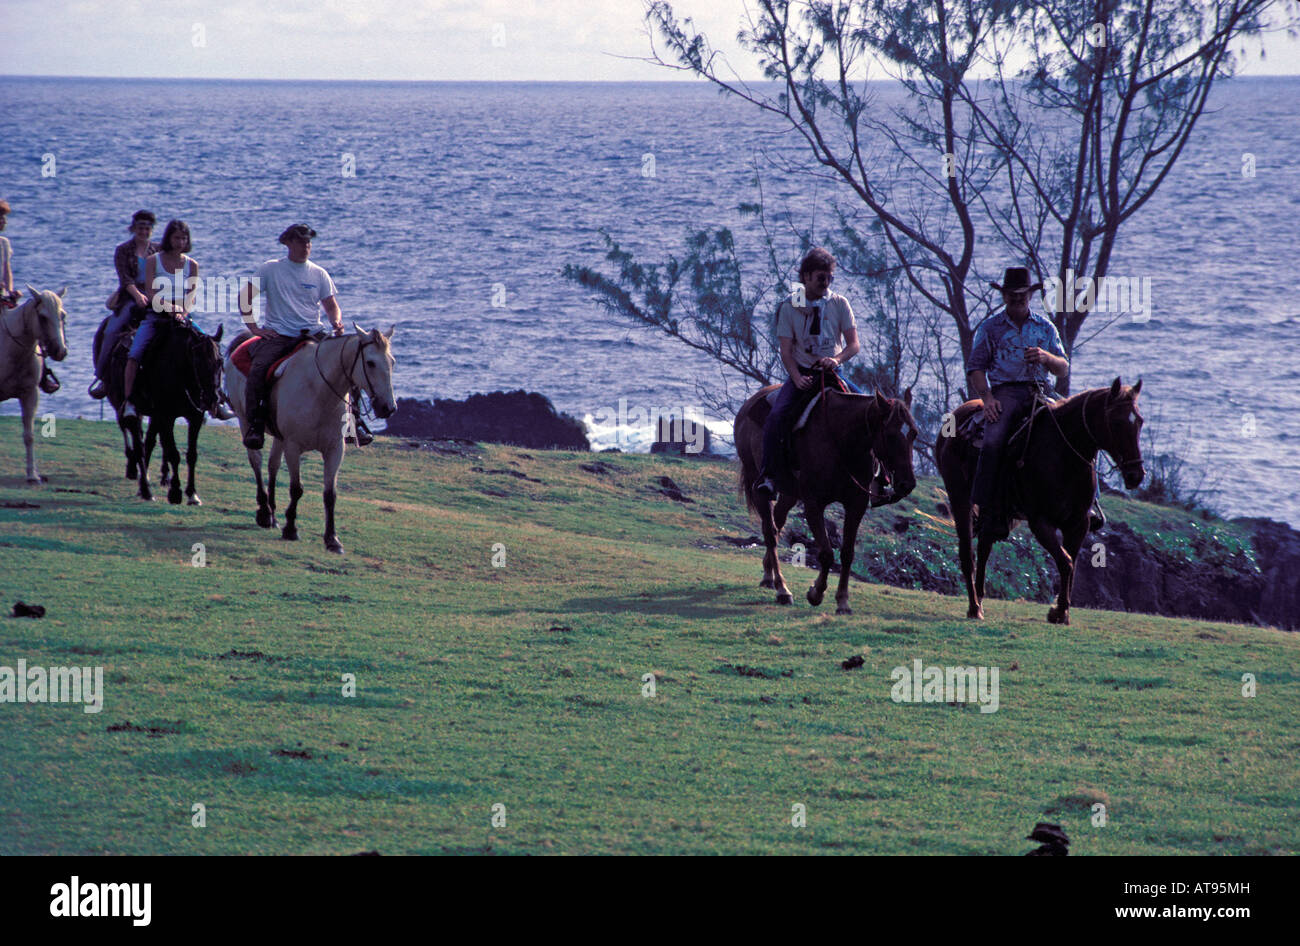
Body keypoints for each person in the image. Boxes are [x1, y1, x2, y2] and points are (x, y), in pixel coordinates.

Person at [966, 265, 1101, 540]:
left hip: (1042, 391)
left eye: (1022, 294)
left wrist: (1045, 357)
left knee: (1082, 433)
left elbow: (1063, 367)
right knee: (993, 441)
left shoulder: (1044, 326)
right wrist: (988, 398)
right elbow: (976, 368)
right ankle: (984, 510)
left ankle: (1091, 506)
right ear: (1004, 296)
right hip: (1006, 392)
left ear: (1030, 295)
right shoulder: (990, 329)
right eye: (1012, 294)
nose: (1017, 299)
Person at [238, 223, 370, 450]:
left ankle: (353, 423)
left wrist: (336, 321)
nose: (306, 246)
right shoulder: (270, 269)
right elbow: (245, 298)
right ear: (287, 243)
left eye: (308, 241)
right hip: (279, 335)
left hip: (313, 333)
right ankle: (255, 426)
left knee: (348, 366)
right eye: (300, 241)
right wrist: (255, 328)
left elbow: (331, 306)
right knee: (259, 370)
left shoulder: (319, 273)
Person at [754, 247, 862, 496]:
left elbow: (854, 344)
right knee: (776, 416)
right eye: (820, 278)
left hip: (833, 374)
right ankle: (768, 475)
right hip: (802, 373)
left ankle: (878, 476)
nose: (825, 283)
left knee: (871, 410)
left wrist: (836, 359)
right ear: (805, 277)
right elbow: (786, 351)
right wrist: (796, 377)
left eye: (829, 278)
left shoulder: (839, 304)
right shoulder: (790, 306)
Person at [122, 219, 204, 416]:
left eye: (184, 238)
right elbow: (150, 293)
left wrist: (181, 312)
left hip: (183, 317)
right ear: (169, 238)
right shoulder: (154, 261)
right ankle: (129, 402)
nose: (181, 242)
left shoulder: (192, 265)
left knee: (208, 350)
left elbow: (192, 294)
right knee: (135, 354)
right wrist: (170, 309)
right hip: (156, 315)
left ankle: (212, 400)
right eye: (177, 238)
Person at [90, 210, 159, 399]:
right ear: (133, 228)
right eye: (140, 228)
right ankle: (102, 376)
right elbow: (125, 278)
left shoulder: (158, 250)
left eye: (147, 228)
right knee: (111, 330)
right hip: (130, 296)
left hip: (156, 296)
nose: (144, 232)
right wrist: (138, 296)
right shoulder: (123, 250)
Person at [1, 199, 59, 393]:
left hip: (3, 300)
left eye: (4, 218)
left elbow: (7, 272)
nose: (4, 222)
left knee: (32, 323)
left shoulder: (4, 244)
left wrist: (10, 291)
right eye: (1, 218)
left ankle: (42, 373)